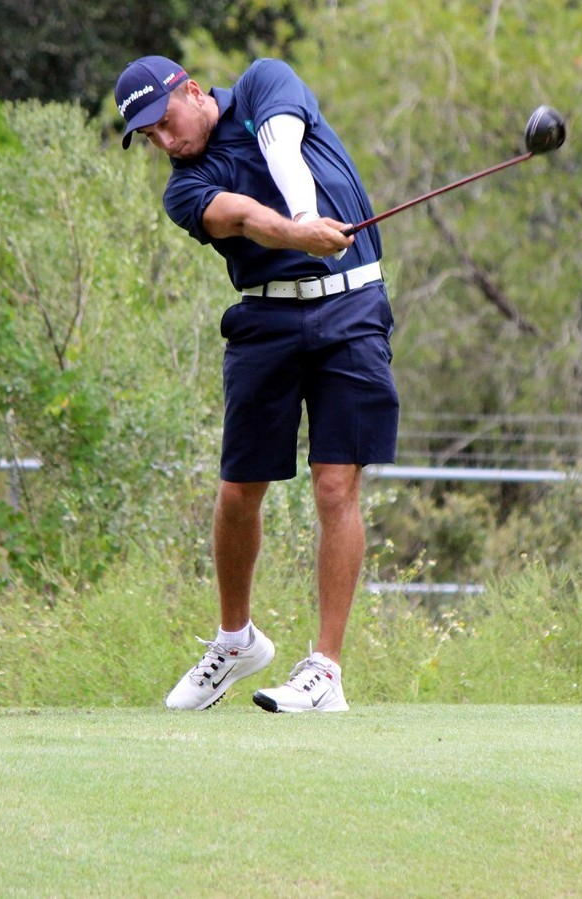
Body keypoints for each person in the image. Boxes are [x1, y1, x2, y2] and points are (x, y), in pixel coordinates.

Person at [114, 55, 397, 713]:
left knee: (336, 483)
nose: (163, 141)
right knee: (239, 490)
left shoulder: (265, 83)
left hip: (351, 306)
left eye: (162, 122)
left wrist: (303, 211)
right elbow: (240, 216)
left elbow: (282, 144)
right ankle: (237, 640)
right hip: (265, 317)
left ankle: (324, 670)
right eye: (148, 137)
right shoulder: (183, 188)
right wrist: (300, 230)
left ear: (190, 90)